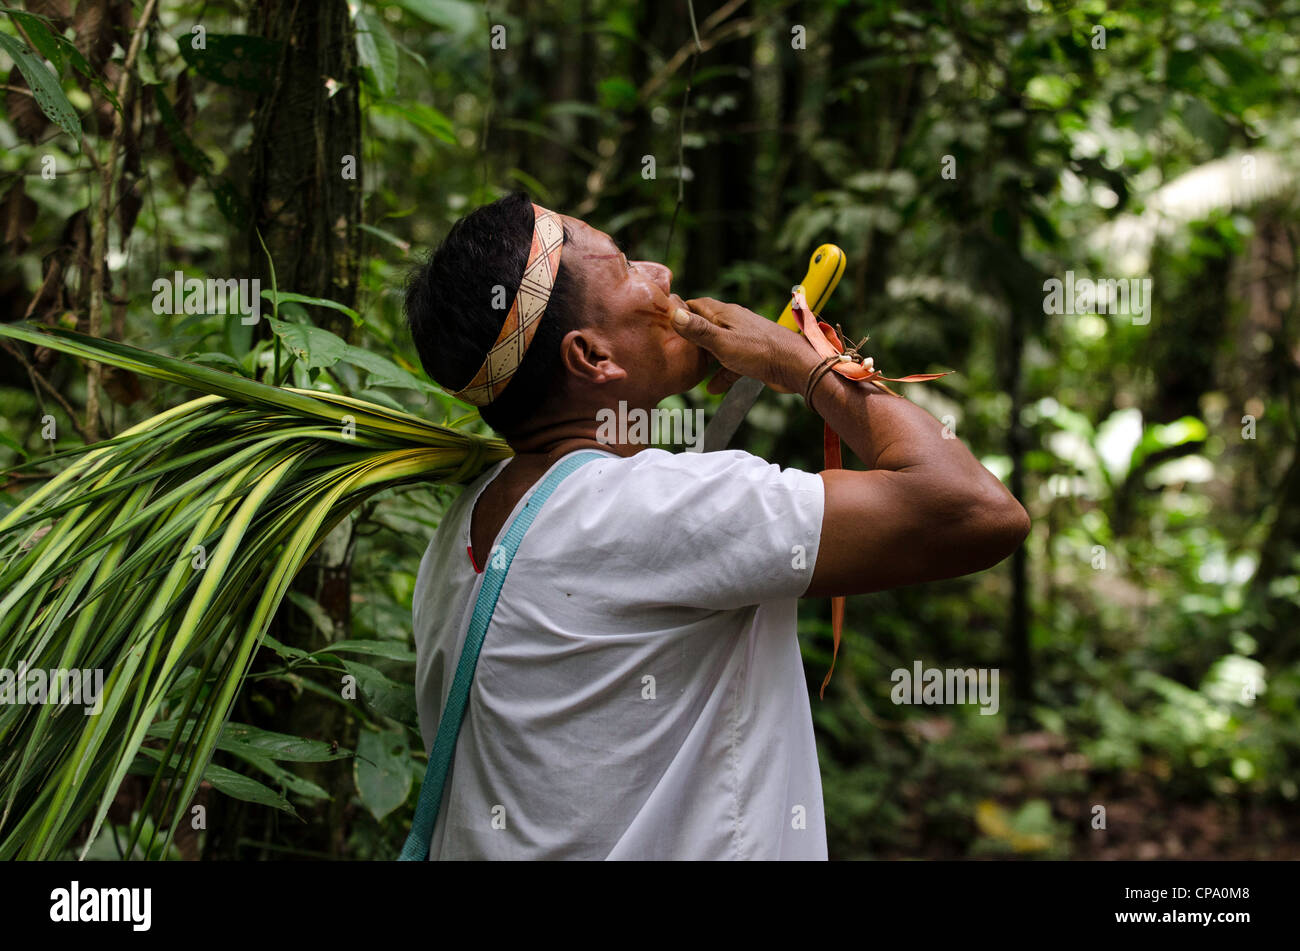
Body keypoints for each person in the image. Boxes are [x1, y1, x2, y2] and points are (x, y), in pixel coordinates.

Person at [402, 191, 1029, 859]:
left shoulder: (461, 531)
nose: (661, 274)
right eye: (623, 266)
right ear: (591, 358)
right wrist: (802, 363)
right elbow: (975, 509)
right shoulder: (658, 506)